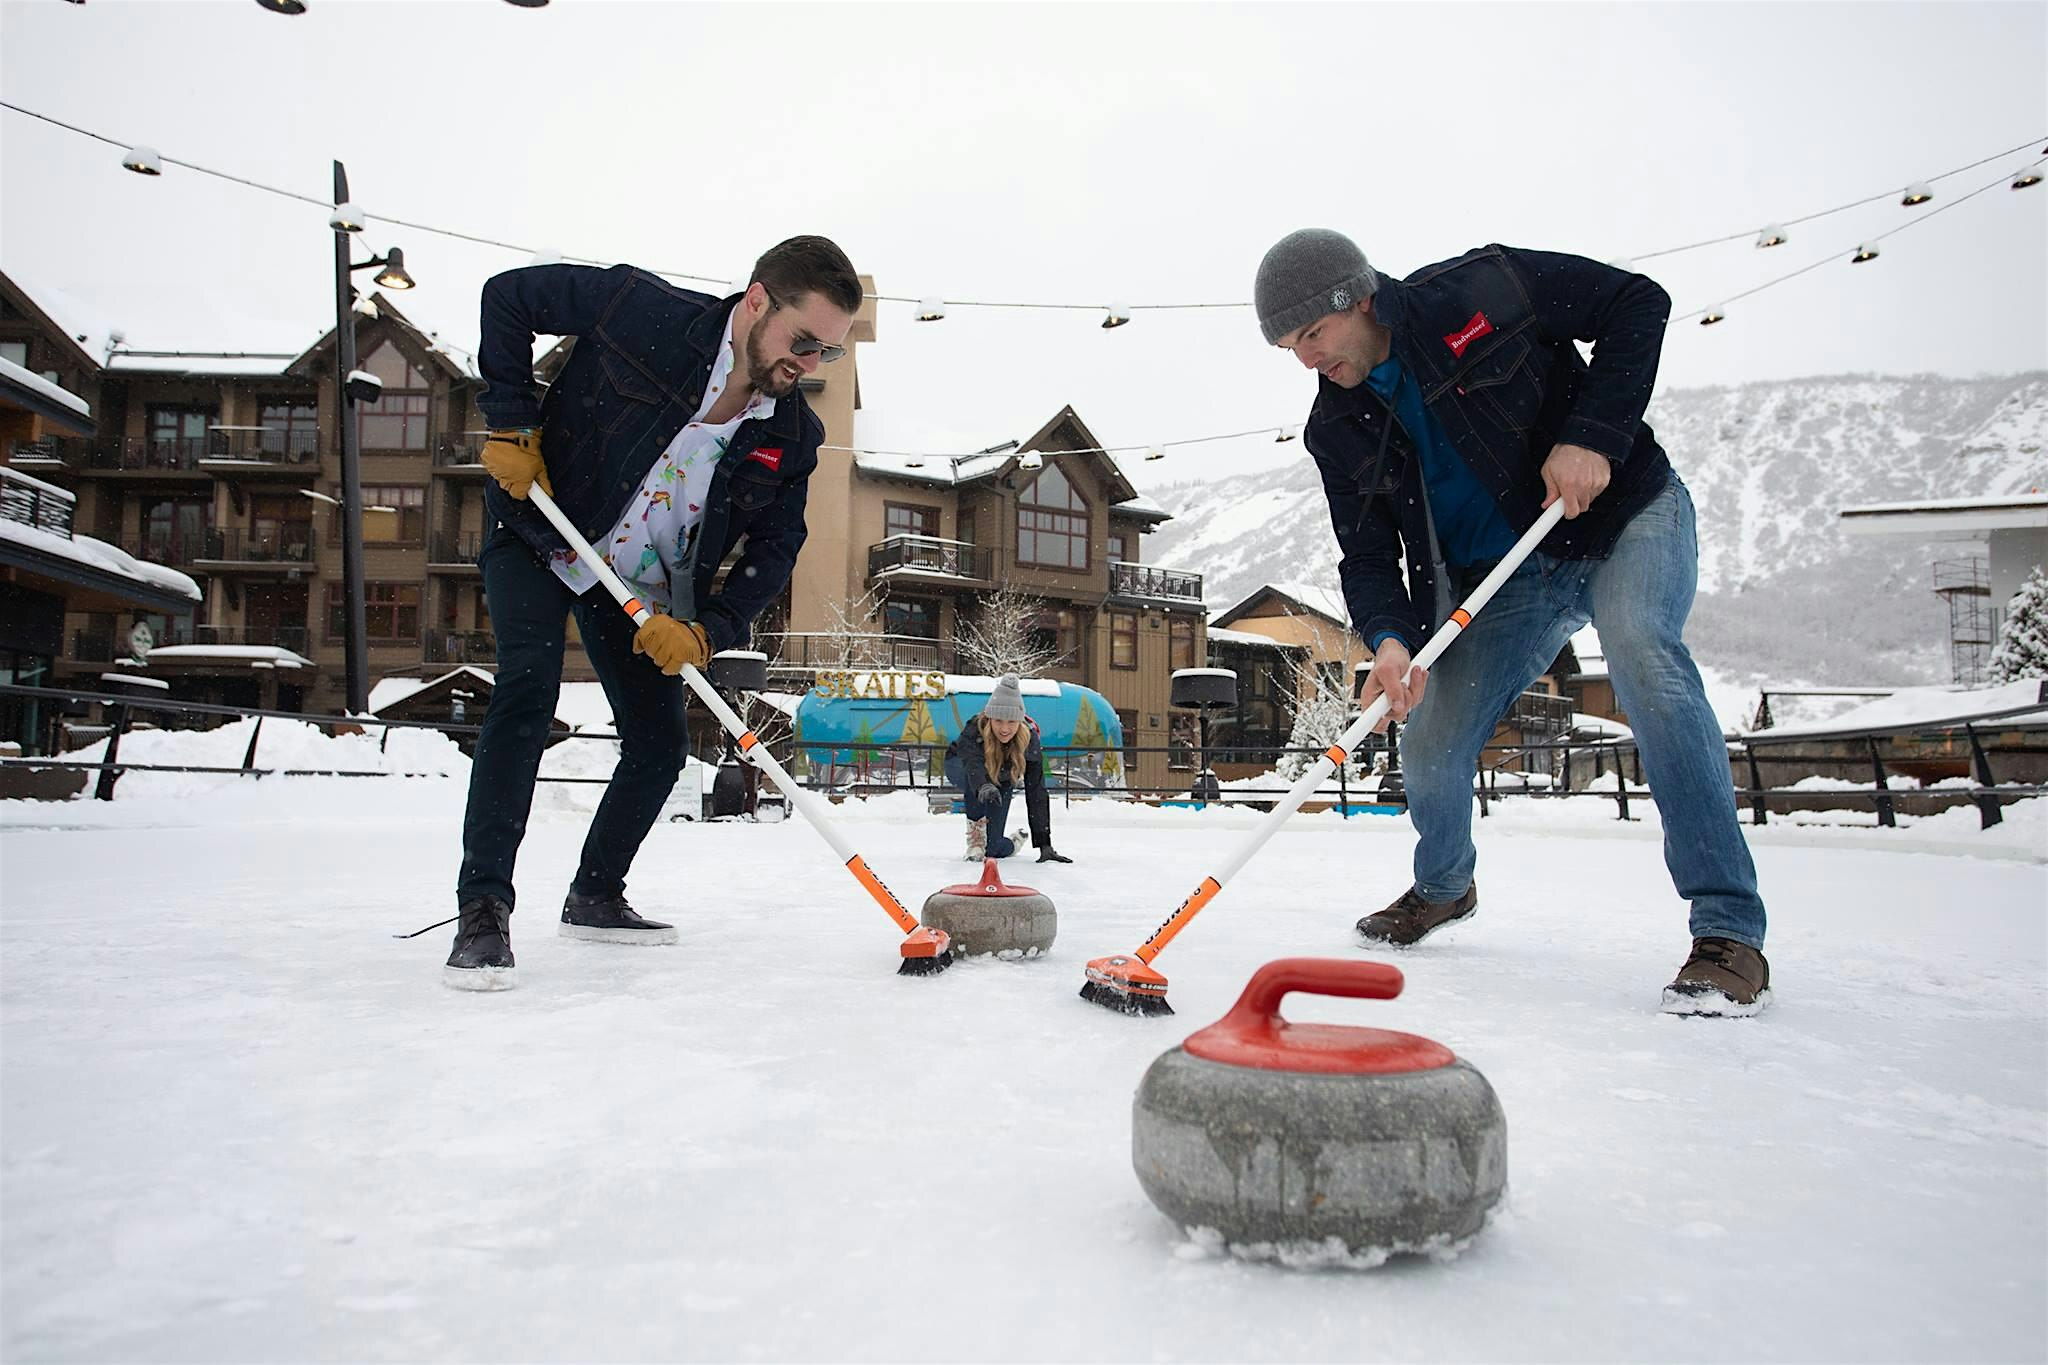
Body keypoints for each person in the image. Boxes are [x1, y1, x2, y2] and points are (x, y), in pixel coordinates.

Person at [1255, 228, 1770, 1016]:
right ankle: (1443, 887)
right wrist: (1390, 641)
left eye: (1313, 335)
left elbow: (1638, 303)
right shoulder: (1337, 426)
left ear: (1357, 298)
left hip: (1618, 518)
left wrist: (1591, 436)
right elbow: (1366, 556)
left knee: (1642, 655)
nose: (1306, 360)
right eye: (1290, 346)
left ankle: (1728, 930)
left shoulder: (1481, 292)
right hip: (1508, 580)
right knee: (1426, 733)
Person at [443, 237, 863, 990]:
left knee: (659, 744)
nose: (808, 364)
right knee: (528, 690)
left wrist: (709, 629)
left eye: (827, 354)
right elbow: (508, 296)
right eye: (805, 342)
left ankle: (596, 891)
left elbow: (778, 545)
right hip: (542, 526)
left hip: (634, 586)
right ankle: (483, 908)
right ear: (758, 300)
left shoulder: (792, 433)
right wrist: (511, 418)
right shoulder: (640, 311)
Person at [943, 673, 1073, 865]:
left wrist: (1045, 844)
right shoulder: (975, 728)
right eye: (998, 721)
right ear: (990, 719)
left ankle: (1013, 842)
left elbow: (1036, 790)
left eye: (1011, 722)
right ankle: (976, 838)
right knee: (973, 779)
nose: (1004, 729)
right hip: (961, 767)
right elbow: (973, 764)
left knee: (993, 849)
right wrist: (983, 785)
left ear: (1019, 721)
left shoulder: (1029, 740)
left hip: (1002, 777)